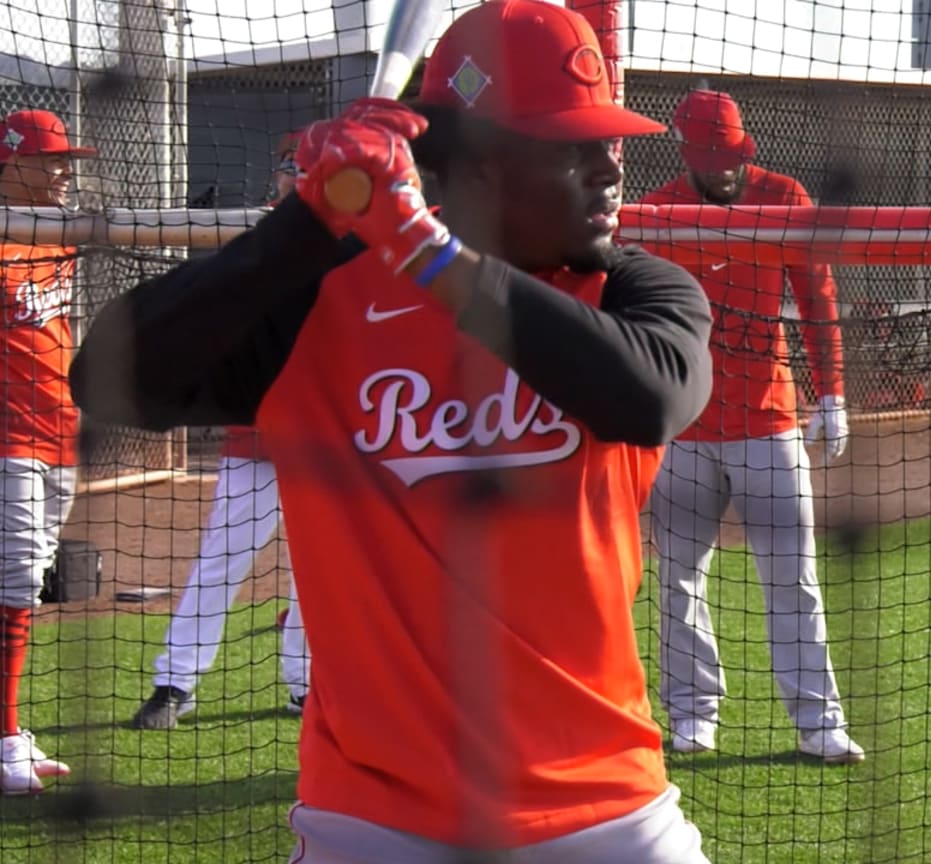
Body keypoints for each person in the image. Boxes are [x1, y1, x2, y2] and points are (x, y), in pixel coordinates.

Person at [69, 1, 715, 860]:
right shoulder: (325, 298)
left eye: (610, 142)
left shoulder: (638, 291)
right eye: (570, 147)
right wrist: (306, 220)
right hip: (371, 822)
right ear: (474, 165)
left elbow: (651, 395)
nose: (610, 168)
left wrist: (425, 248)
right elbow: (111, 379)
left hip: (603, 807)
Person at [639, 89, 862, 764]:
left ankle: (819, 722)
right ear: (690, 154)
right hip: (684, 423)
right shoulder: (657, 209)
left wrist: (833, 394)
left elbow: (816, 295)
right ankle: (693, 713)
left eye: (731, 157)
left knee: (792, 575)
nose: (725, 170)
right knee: (676, 577)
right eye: (712, 159)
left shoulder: (784, 195)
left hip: (769, 418)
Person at [130, 139, 312, 730]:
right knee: (221, 562)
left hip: (327, 443)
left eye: (306, 173)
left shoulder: (354, 248)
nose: (294, 181)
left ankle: (307, 687)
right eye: (289, 172)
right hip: (255, 441)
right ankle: (174, 684)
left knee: (320, 571)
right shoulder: (254, 245)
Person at [0, 109, 95, 795]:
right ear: (11, 162)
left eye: (68, 159)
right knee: (14, 585)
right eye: (52, 159)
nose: (66, 171)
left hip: (60, 435)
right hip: (9, 440)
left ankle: (7, 731)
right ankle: (4, 738)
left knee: (21, 586)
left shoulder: (61, 235)